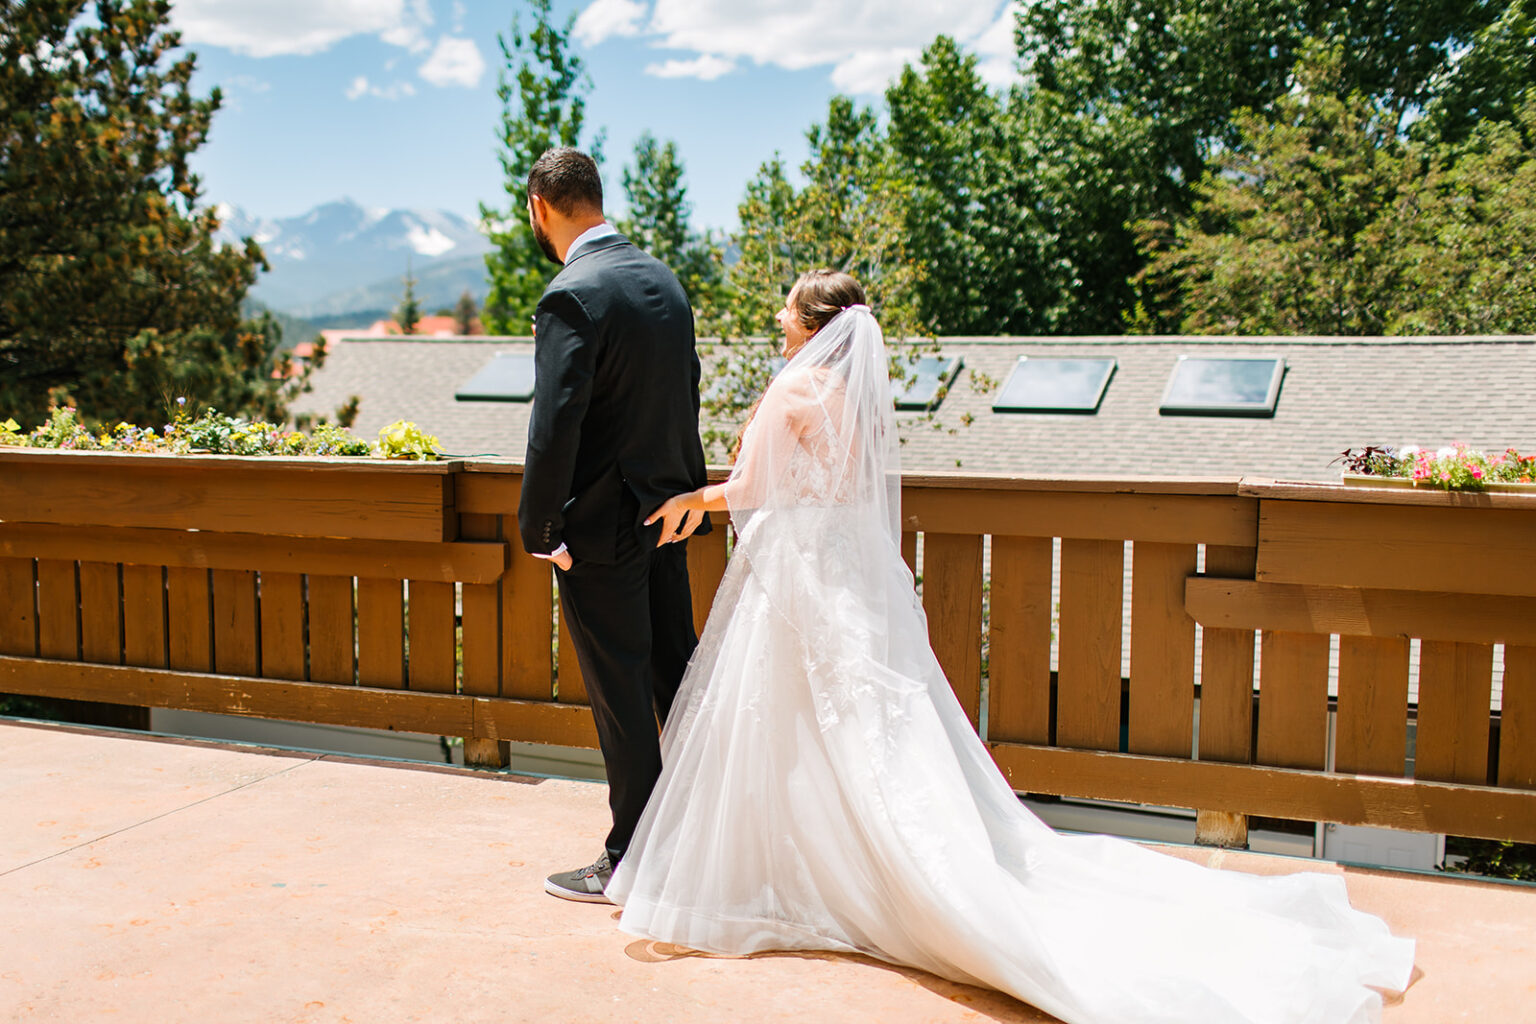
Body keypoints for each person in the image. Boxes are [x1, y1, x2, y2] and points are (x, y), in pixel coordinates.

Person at [607, 269, 1415, 1024]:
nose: (777, 318)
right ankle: (831, 863)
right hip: (843, 574)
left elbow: (753, 489)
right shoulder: (849, 399)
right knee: (858, 733)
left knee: (793, 728)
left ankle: (815, 873)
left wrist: (693, 498)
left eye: (786, 309)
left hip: (800, 577)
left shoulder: (794, 389)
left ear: (813, 325)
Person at [516, 147, 712, 903]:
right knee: (676, 679)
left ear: (541, 208)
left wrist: (541, 529)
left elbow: (554, 424)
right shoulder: (663, 282)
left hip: (600, 530)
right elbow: (682, 395)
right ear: (596, 197)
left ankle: (634, 858)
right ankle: (704, 835)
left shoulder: (573, 294)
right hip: (666, 516)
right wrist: (682, 495)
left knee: (621, 693)